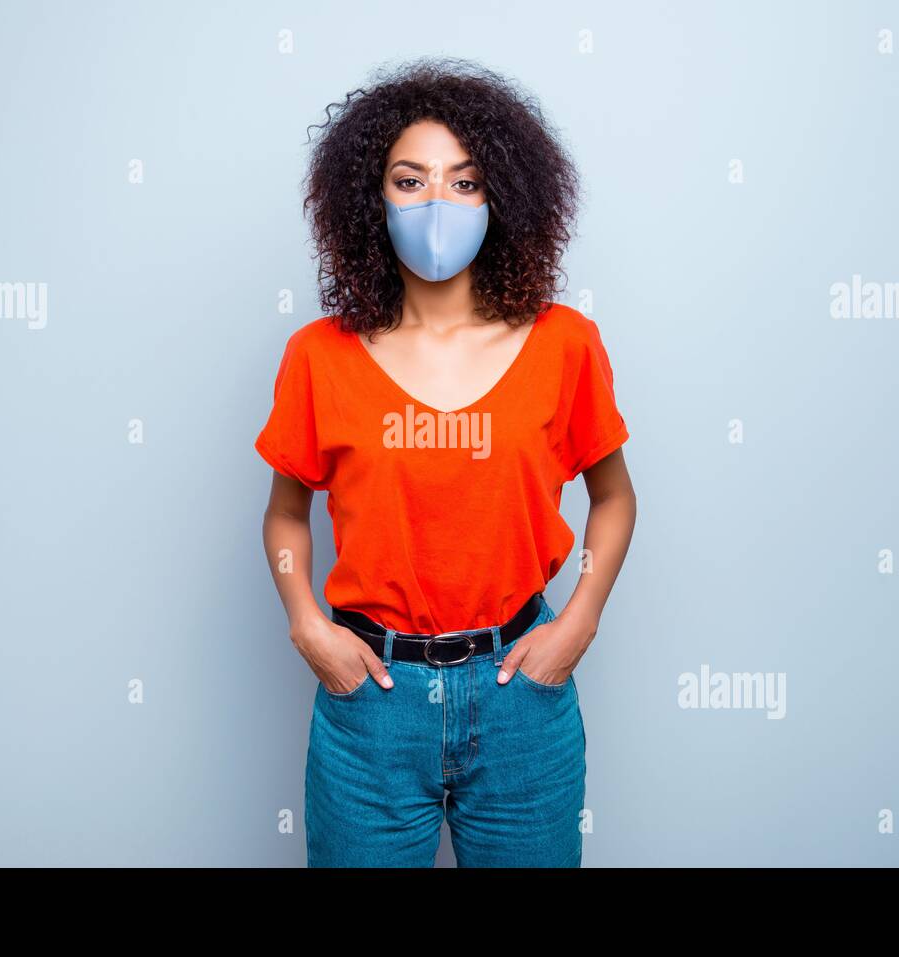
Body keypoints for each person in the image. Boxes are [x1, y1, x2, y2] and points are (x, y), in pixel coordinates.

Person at [255, 57, 637, 867]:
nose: (438, 204)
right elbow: (286, 512)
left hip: (520, 697)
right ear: (372, 198)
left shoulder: (565, 343)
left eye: (465, 183)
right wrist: (303, 621)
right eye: (410, 179)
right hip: (372, 707)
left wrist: (580, 620)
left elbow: (613, 498)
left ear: (503, 199)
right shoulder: (318, 357)